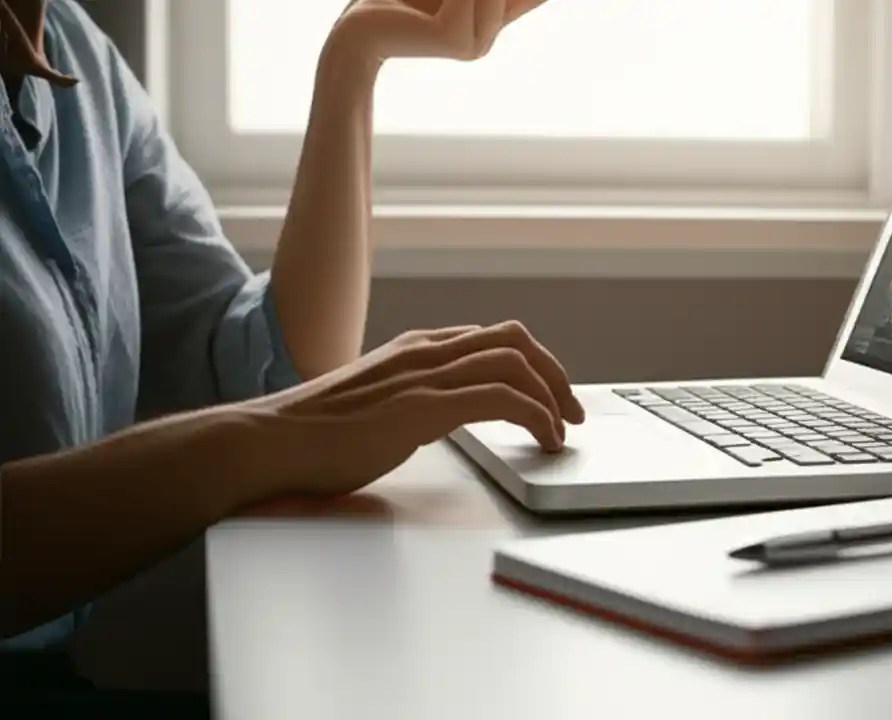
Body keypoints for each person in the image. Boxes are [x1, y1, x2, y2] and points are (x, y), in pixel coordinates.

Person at [0, 0, 583, 711]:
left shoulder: (74, 50)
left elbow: (263, 367)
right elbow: (282, 408)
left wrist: (355, 53)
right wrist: (288, 433)